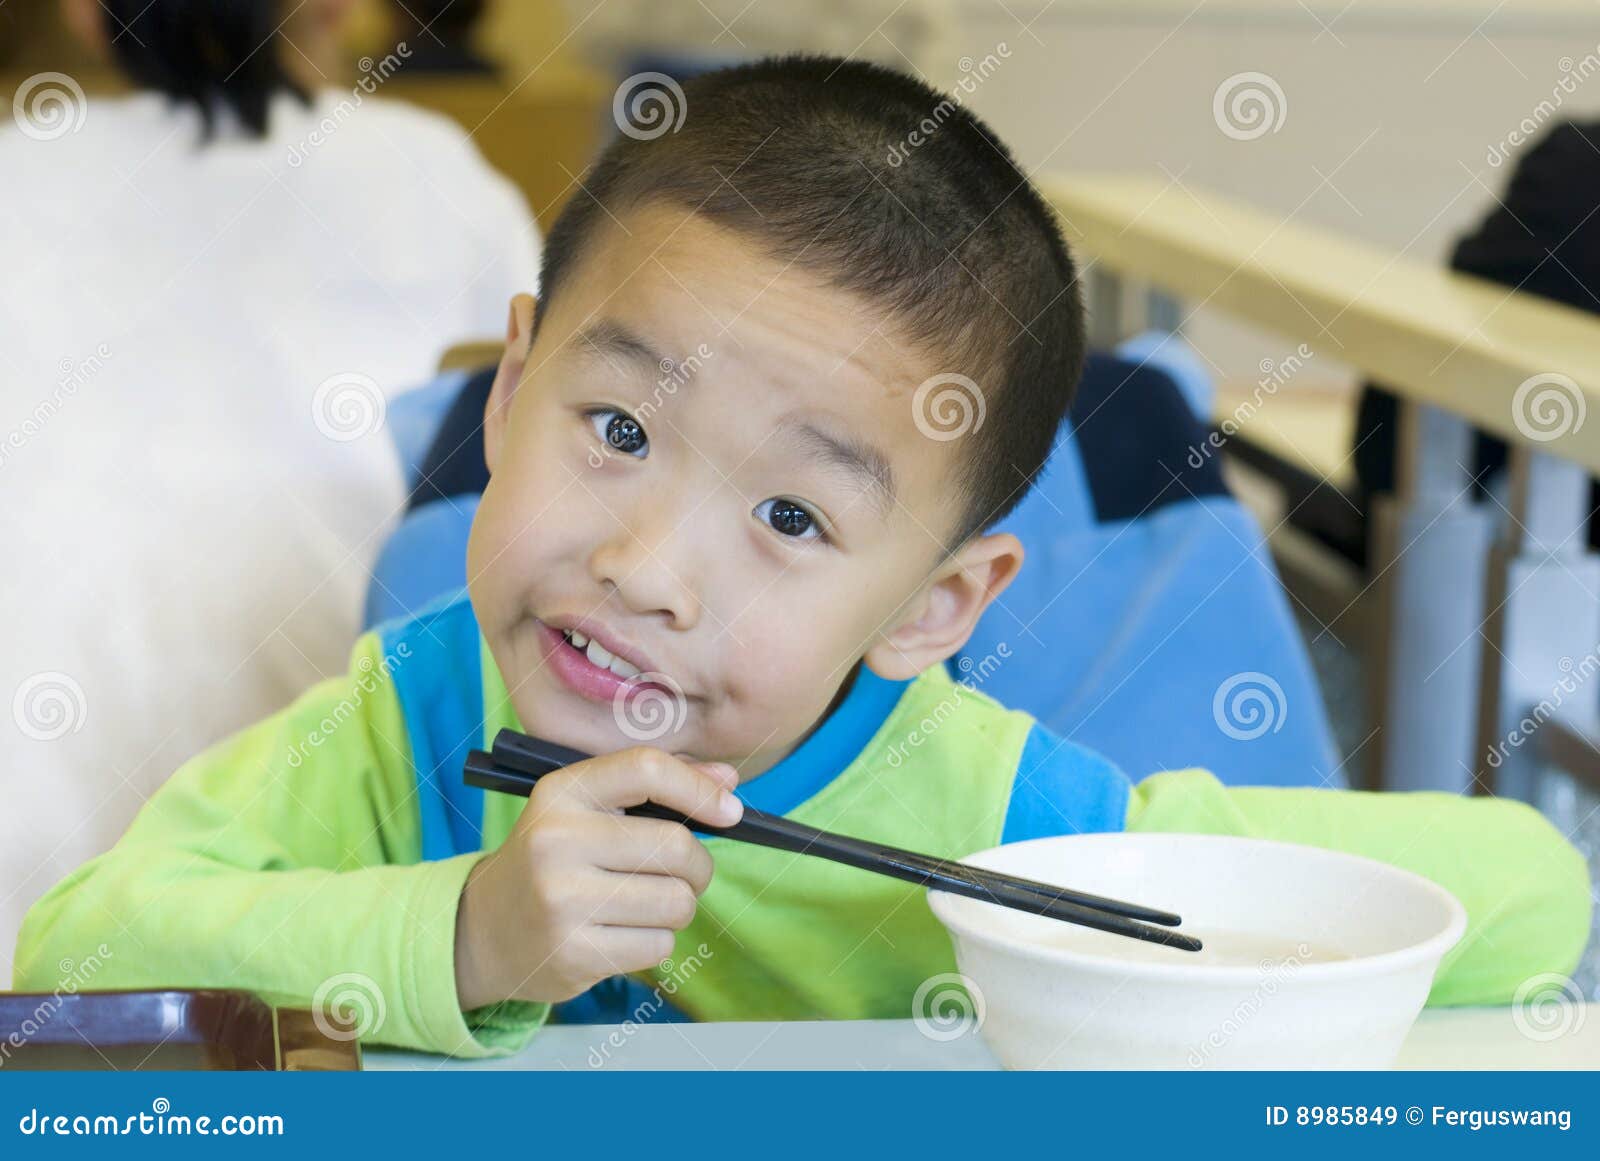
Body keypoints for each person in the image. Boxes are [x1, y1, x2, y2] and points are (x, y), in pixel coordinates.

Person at [13, 57, 1589, 1056]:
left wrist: (1172, 904)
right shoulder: (406, 721)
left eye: (789, 519)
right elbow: (75, 960)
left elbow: (1533, 896)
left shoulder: (1009, 827)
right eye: (617, 429)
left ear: (933, 607)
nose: (646, 567)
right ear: (510, 389)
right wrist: (469, 930)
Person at [0, 0, 538, 963]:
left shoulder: (17, 164)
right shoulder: (427, 170)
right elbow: (547, 417)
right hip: (314, 897)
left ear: (85, 15)